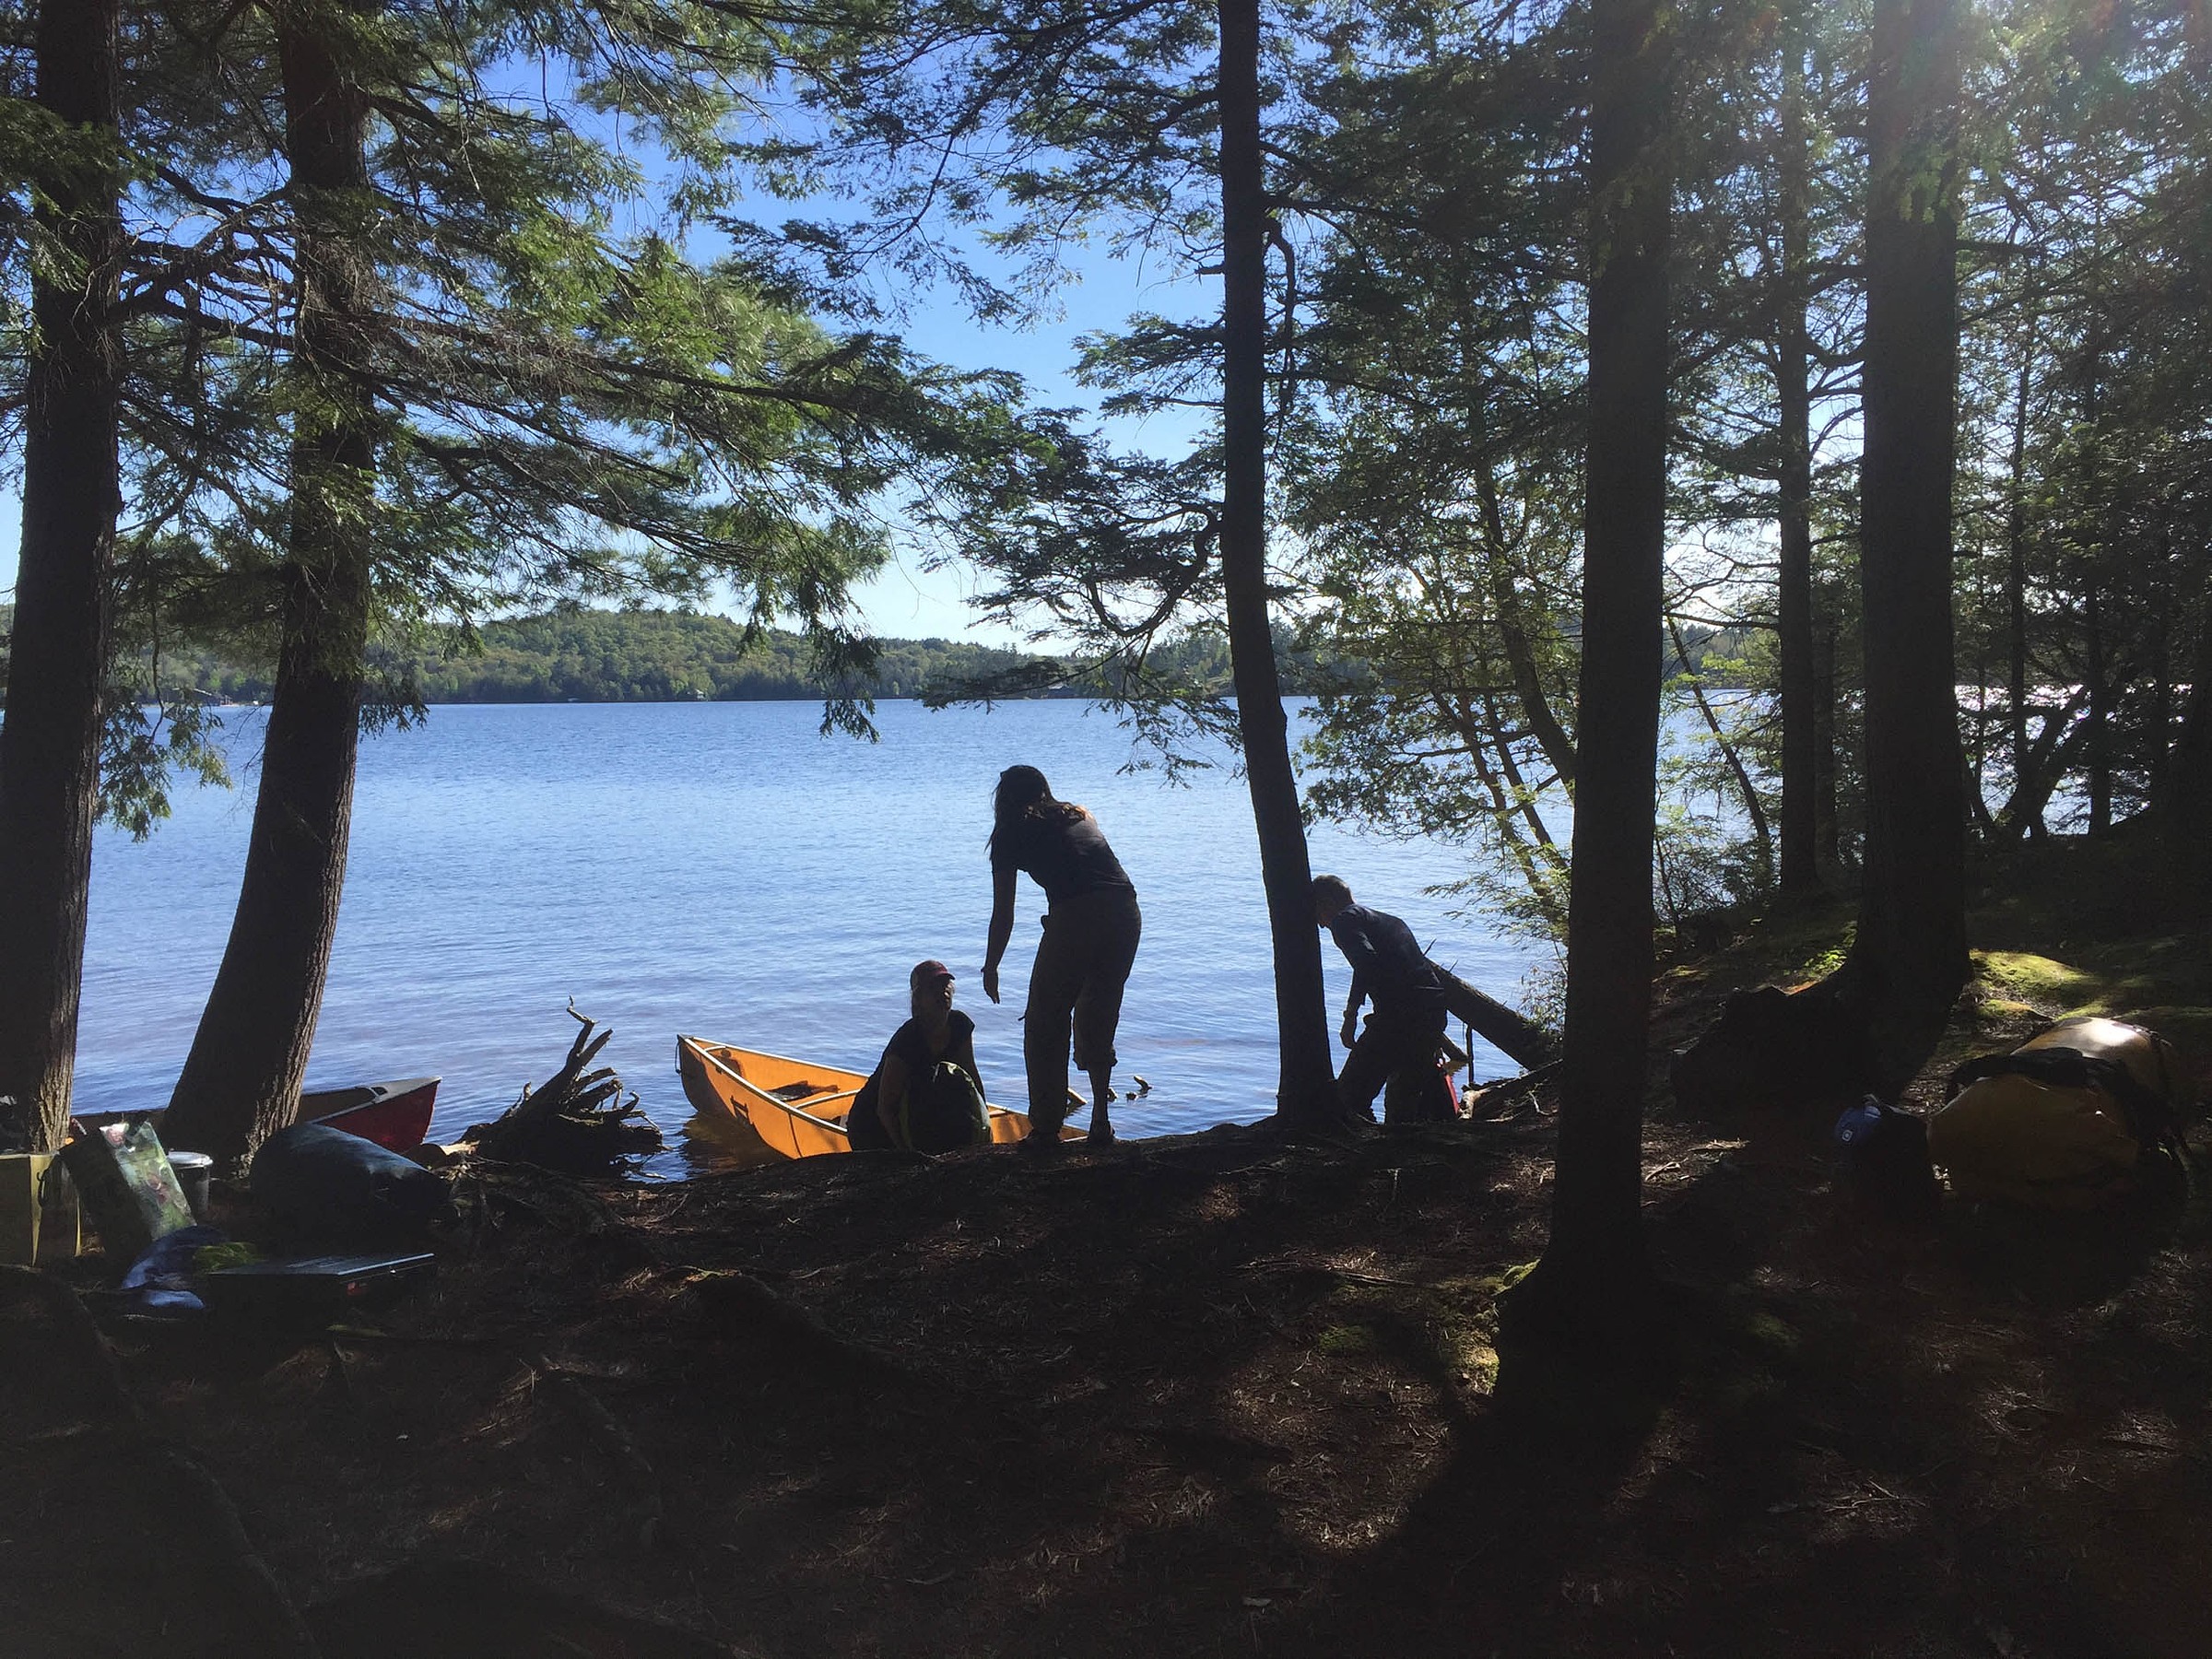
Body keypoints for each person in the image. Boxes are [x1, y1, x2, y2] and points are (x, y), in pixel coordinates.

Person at [982, 765, 1141, 1147]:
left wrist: (991, 965)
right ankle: (1101, 1125)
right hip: (1125, 910)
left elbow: (1004, 913)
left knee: (1044, 1021)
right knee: (1098, 1014)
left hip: (1076, 914)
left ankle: (1046, 1128)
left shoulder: (1008, 835)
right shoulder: (1079, 813)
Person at [1312, 874, 1455, 1125]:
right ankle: (1400, 1149)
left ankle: (1366, 1150)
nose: (1321, 925)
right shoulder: (1386, 920)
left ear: (1327, 902)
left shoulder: (1344, 921)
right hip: (1433, 1011)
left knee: (1349, 1095)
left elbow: (1366, 964)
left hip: (1402, 1016)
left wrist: (1353, 1016)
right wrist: (1353, 1014)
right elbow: (1365, 964)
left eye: (1317, 914)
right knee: (1404, 1096)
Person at [847, 960, 991, 1154]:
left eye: (945, 985)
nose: (942, 992)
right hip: (874, 1124)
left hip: (917, 1108)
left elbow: (971, 1076)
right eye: (933, 988)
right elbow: (885, 1108)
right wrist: (907, 1153)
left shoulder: (960, 1025)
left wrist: (985, 1123)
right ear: (918, 998)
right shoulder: (908, 1039)